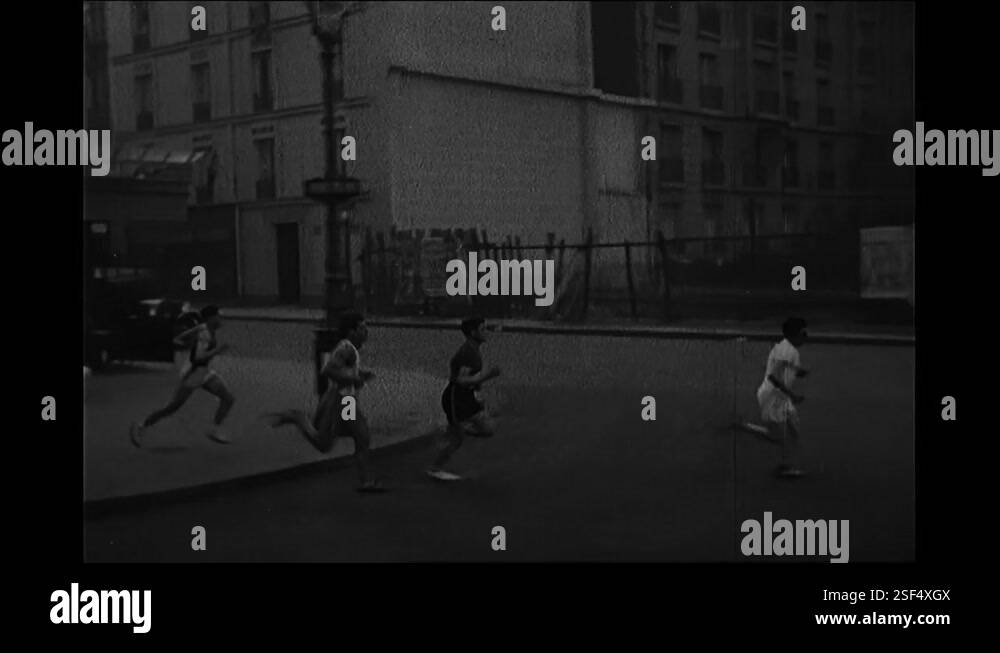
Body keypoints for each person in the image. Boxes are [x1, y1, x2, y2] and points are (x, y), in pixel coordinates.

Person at [266, 311, 385, 493]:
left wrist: (360, 375)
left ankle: (367, 481)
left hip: (347, 400)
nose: (366, 332)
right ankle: (298, 418)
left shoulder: (351, 349)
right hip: (342, 400)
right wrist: (354, 380)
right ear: (351, 331)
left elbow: (344, 371)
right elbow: (328, 370)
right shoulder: (346, 348)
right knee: (334, 442)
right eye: (362, 328)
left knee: (356, 437)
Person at [130, 305, 235, 447]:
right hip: (193, 373)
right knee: (172, 407)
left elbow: (179, 338)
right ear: (211, 318)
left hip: (204, 372)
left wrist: (184, 341)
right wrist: (218, 350)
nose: (221, 319)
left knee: (228, 398)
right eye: (218, 316)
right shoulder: (204, 334)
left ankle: (214, 429)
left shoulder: (204, 328)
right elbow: (198, 358)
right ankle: (141, 426)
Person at [427, 316, 500, 482]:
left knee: (488, 429)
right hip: (456, 398)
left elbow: (470, 379)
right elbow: (460, 380)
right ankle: (435, 468)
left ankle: (453, 429)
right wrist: (488, 376)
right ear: (473, 333)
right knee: (457, 440)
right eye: (483, 329)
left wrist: (478, 392)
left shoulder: (474, 350)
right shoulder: (467, 353)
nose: (486, 332)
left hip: (466, 396)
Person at [756, 317, 810, 478]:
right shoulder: (786, 350)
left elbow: (784, 368)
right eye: (804, 334)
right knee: (783, 436)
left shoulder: (788, 348)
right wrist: (792, 395)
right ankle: (784, 467)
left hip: (781, 397)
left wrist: (799, 372)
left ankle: (750, 427)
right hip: (773, 398)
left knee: (792, 429)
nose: (806, 337)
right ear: (795, 335)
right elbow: (773, 376)